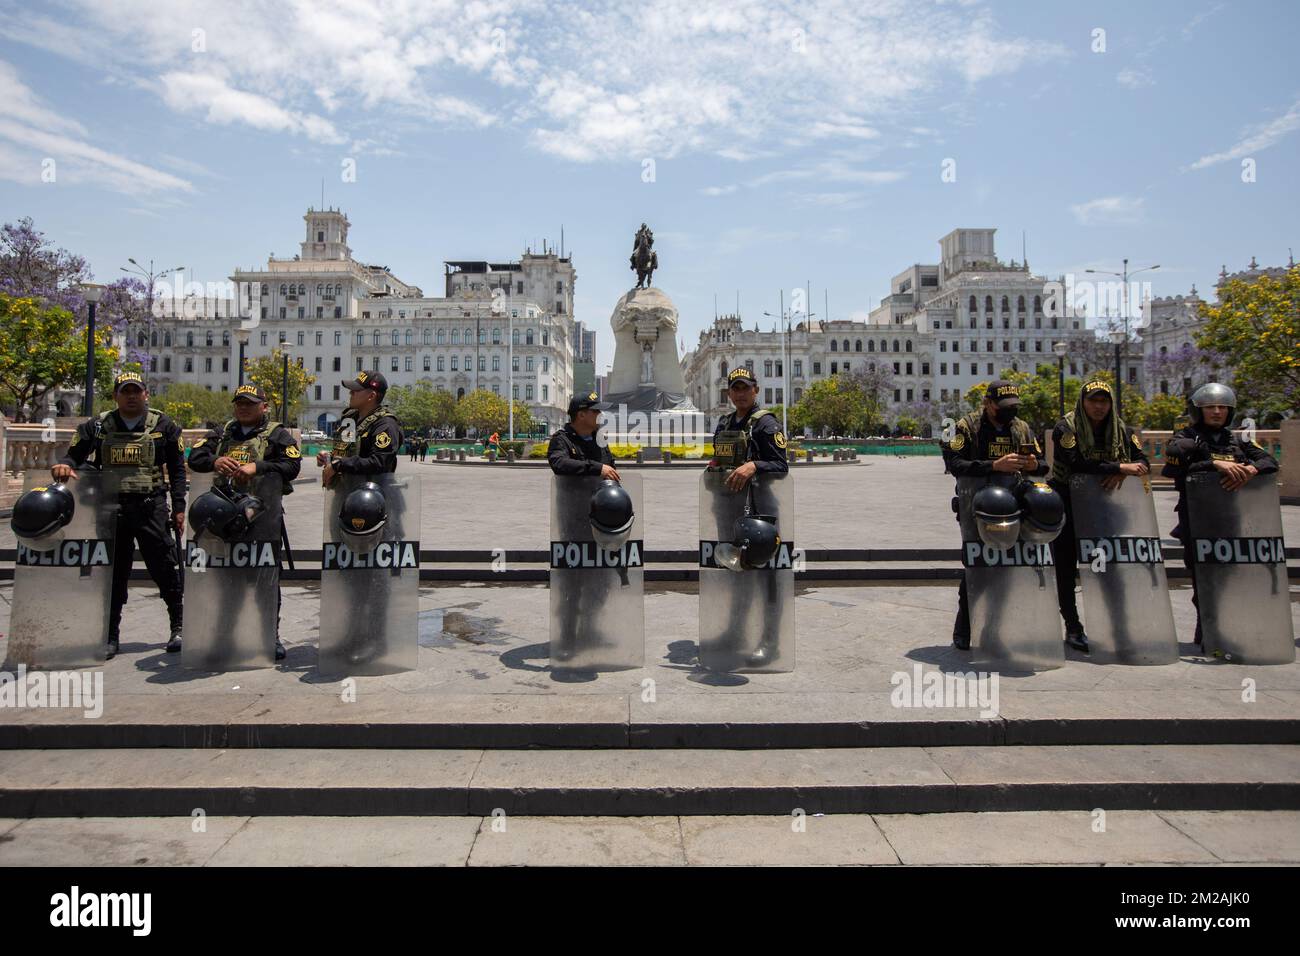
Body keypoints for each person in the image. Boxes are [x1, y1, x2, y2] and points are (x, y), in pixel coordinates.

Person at [52, 370, 186, 659]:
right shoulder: (98, 426)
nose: (131, 396)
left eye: (136, 391)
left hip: (150, 506)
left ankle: (179, 626)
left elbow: (176, 470)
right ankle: (110, 635)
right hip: (110, 509)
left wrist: (179, 508)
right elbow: (73, 454)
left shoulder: (164, 425)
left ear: (146, 395)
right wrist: (64, 465)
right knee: (113, 572)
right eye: (125, 391)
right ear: (116, 396)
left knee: (164, 566)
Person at [187, 384, 302, 661]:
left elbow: (292, 466)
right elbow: (196, 457)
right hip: (225, 520)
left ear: (264, 407)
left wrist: (258, 467)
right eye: (239, 403)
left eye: (250, 403)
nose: (243, 408)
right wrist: (216, 462)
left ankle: (268, 636)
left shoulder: (276, 434)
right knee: (228, 582)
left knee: (265, 581)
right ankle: (223, 636)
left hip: (262, 518)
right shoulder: (223, 432)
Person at [1162, 382, 1278, 645]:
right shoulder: (1188, 436)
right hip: (1196, 521)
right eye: (1210, 407)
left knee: (1229, 578)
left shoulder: (1237, 440)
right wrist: (1214, 464)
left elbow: (1270, 461)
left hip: (1231, 522)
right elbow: (1173, 461)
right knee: (1202, 578)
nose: (1217, 412)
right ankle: (1206, 627)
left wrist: (1251, 470)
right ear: (1198, 410)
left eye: (1222, 407)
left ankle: (1227, 629)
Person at [941, 379, 1047, 650]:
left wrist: (1035, 463)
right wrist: (994, 465)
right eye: (1003, 406)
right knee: (977, 567)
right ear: (988, 404)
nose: (1009, 411)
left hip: (1014, 506)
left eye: (1013, 406)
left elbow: (1043, 464)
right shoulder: (964, 427)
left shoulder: (1022, 428)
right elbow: (954, 464)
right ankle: (964, 628)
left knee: (1007, 572)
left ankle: (995, 628)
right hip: (976, 508)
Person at [1047, 380, 1149, 651]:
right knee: (1066, 568)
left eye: (1104, 401)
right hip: (1068, 503)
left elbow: (1142, 461)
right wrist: (1117, 466)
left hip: (1105, 508)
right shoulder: (1066, 427)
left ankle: (1118, 625)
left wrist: (1122, 469)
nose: (1099, 406)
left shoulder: (1122, 430)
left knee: (1109, 569)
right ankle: (1073, 626)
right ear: (1083, 402)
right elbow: (1075, 462)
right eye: (1093, 400)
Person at [708, 366, 789, 665]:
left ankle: (770, 642)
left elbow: (781, 464)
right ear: (729, 393)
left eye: (745, 387)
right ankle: (736, 632)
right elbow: (722, 455)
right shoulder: (725, 422)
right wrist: (714, 466)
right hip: (729, 509)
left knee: (767, 579)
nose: (740, 393)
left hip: (761, 513)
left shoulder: (766, 424)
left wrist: (755, 465)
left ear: (756, 389)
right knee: (736, 575)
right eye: (735, 388)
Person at [317, 371, 401, 488]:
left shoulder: (385, 424)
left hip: (373, 496)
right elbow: (349, 452)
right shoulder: (351, 418)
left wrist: (339, 464)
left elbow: (379, 462)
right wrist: (329, 458)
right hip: (345, 491)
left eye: (356, 390)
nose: (351, 392)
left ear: (371, 396)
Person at [548, 393, 618, 478]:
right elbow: (559, 463)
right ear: (581, 415)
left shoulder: (600, 439)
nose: (602, 414)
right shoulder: (561, 439)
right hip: (573, 491)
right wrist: (596, 468)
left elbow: (610, 469)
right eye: (596, 411)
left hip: (602, 490)